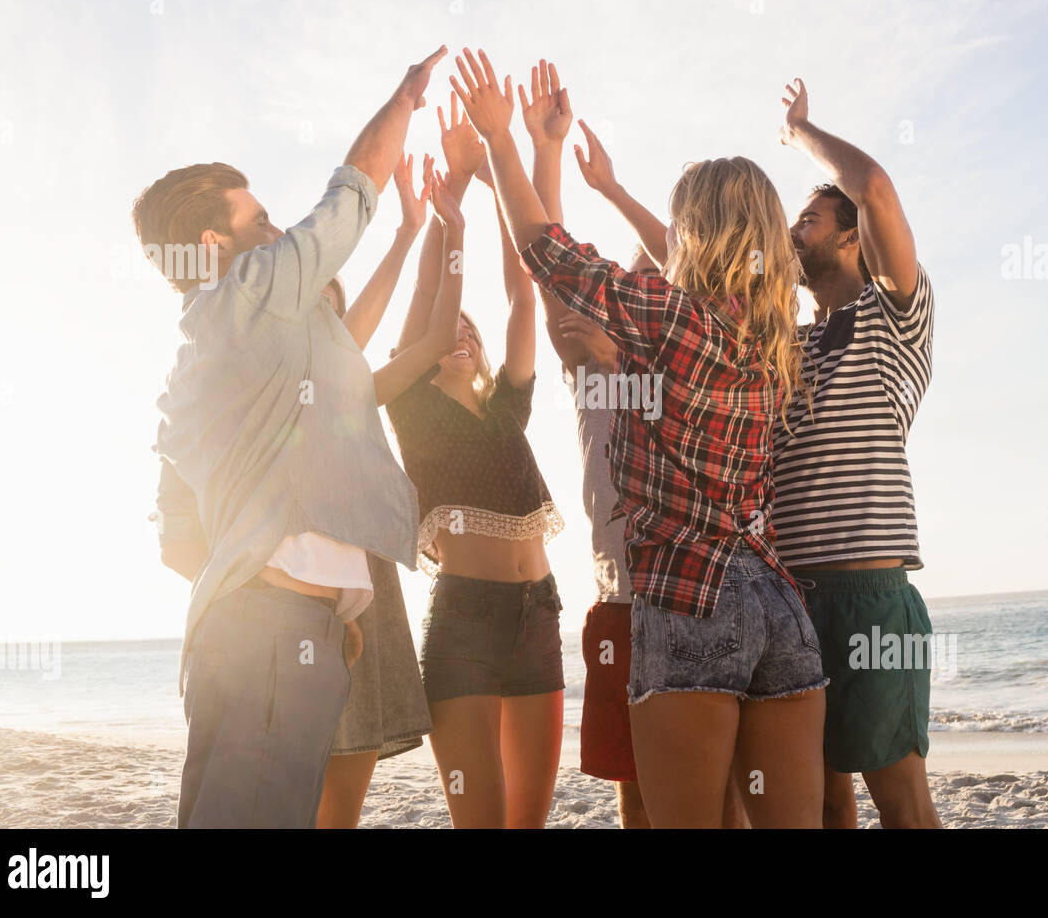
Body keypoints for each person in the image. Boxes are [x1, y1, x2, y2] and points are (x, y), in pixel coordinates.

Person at [452, 48, 825, 828]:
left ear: (694, 232)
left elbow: (547, 253)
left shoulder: (671, 319)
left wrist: (501, 139)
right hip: (778, 603)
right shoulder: (775, 333)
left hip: (688, 598)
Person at [138, 45, 450, 828]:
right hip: (268, 635)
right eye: (259, 218)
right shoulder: (241, 297)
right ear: (216, 245)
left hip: (287, 631)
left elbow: (344, 349)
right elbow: (349, 194)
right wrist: (404, 102)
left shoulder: (244, 335)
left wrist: (337, 611)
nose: (278, 229)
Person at [519, 61, 748, 828]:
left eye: (659, 276)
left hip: (704, 595)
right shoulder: (590, 363)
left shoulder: (699, 354)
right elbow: (552, 263)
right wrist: (544, 151)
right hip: (623, 600)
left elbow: (699, 269)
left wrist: (615, 191)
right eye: (637, 280)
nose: (645, 283)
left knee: (721, 798)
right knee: (635, 793)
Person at [383, 95, 566, 829]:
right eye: (443, 328)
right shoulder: (412, 411)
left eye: (468, 326)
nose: (457, 328)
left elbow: (525, 292)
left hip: (541, 618)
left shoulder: (506, 409)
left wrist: (497, 166)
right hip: (463, 626)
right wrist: (446, 202)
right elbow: (431, 289)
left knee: (531, 822)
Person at [773, 77, 941, 828]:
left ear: (849, 235)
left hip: (872, 602)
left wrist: (800, 131)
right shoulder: (782, 346)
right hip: (788, 604)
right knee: (822, 805)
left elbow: (872, 185)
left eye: (807, 219)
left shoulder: (895, 316)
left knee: (902, 806)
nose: (792, 231)